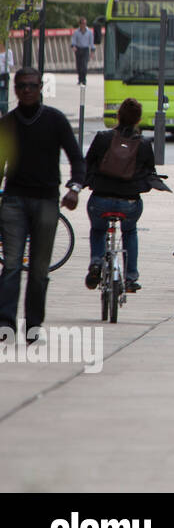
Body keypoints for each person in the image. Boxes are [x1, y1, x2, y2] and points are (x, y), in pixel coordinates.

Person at [0, 67, 85, 344]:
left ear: (40, 89)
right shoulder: (8, 123)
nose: (26, 90)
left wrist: (74, 188)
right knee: (11, 264)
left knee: (39, 268)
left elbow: (77, 159)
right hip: (13, 200)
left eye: (32, 86)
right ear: (15, 90)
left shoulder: (55, 120)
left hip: (47, 200)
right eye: (21, 86)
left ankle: (33, 326)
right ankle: (5, 324)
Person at [83, 98, 156, 294]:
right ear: (138, 120)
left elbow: (88, 164)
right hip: (129, 202)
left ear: (118, 116)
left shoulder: (102, 138)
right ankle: (131, 278)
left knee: (98, 229)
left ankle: (96, 262)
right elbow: (150, 172)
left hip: (100, 200)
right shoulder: (144, 144)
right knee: (130, 231)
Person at [70, 17, 94, 86]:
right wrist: (73, 46)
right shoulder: (76, 32)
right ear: (80, 24)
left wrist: (92, 51)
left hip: (85, 50)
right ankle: (80, 79)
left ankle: (84, 80)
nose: (84, 25)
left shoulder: (89, 32)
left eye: (85, 24)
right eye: (83, 24)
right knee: (79, 66)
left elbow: (91, 42)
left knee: (84, 66)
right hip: (78, 49)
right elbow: (73, 40)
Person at [0, 36, 14, 114]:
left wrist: (4, 60)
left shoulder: (8, 52)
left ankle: (4, 110)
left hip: (3, 75)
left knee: (3, 94)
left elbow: (11, 63)